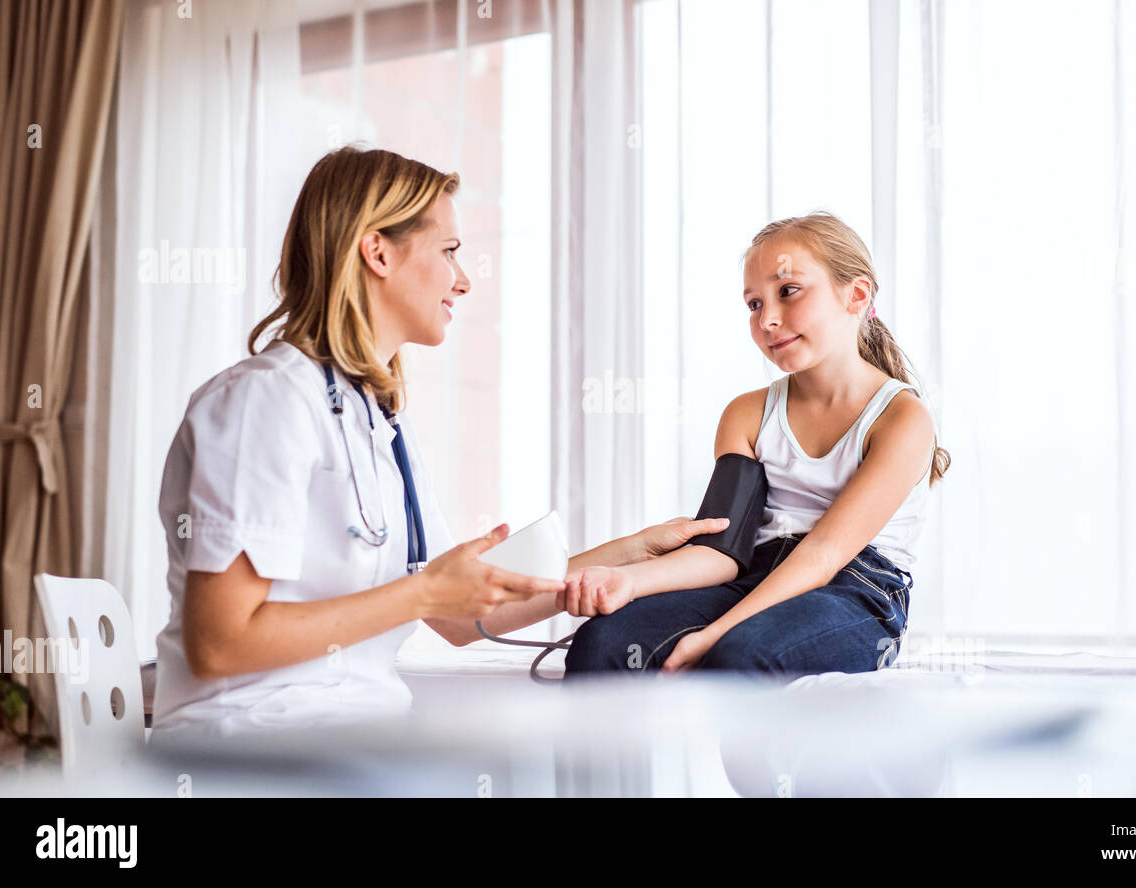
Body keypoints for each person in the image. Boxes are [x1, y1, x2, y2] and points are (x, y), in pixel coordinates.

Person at [150, 146, 727, 738]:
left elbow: (462, 614)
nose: (464, 279)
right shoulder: (265, 402)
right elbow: (220, 643)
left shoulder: (380, 421)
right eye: (449, 251)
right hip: (248, 748)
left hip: (351, 742)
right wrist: (424, 593)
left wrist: (630, 553)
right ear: (377, 251)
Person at [561, 212, 950, 678]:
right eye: (753, 304)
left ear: (857, 294)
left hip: (855, 588)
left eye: (788, 292)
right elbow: (723, 551)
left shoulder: (903, 418)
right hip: (755, 575)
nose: (767, 319)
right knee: (601, 641)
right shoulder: (746, 415)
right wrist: (626, 581)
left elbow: (824, 555)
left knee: (742, 655)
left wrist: (713, 634)